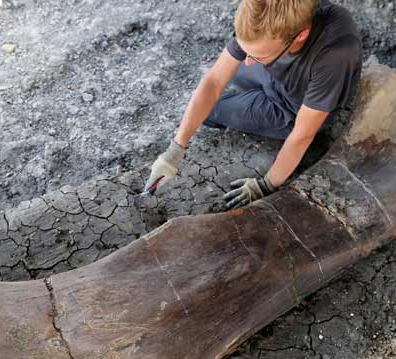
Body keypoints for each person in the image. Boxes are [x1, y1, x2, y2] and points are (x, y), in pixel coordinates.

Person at [144, 0, 362, 210]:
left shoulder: (334, 56)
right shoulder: (266, 17)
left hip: (291, 108)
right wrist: (175, 150)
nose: (247, 61)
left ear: (301, 34)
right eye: (245, 50)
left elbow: (301, 136)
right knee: (225, 80)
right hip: (274, 73)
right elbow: (213, 82)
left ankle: (257, 105)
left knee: (211, 111)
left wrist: (265, 185)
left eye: (257, 55)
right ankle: (256, 85)